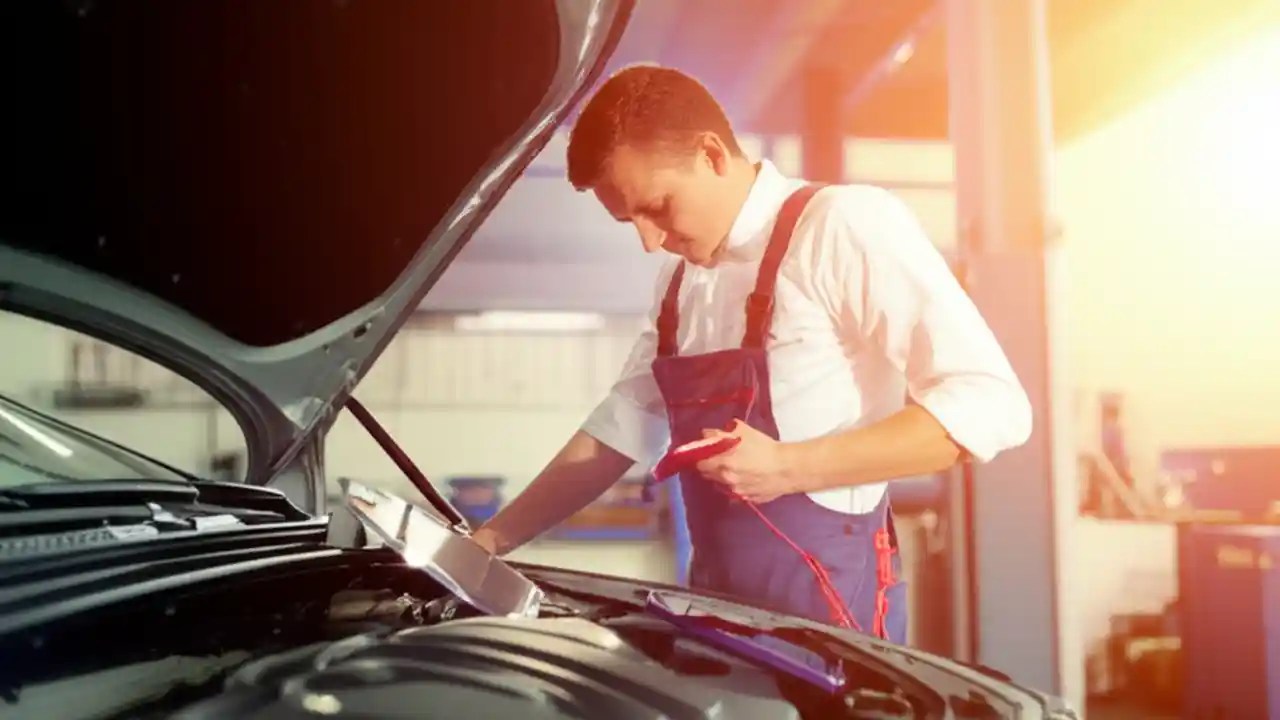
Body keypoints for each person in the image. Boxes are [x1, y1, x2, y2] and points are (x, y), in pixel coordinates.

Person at [470, 65, 1031, 642]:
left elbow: (991, 405)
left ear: (712, 154)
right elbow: (619, 429)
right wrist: (488, 544)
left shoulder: (842, 225)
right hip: (717, 621)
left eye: (658, 206)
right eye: (628, 221)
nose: (648, 240)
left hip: (836, 625)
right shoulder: (678, 282)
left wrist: (790, 467)